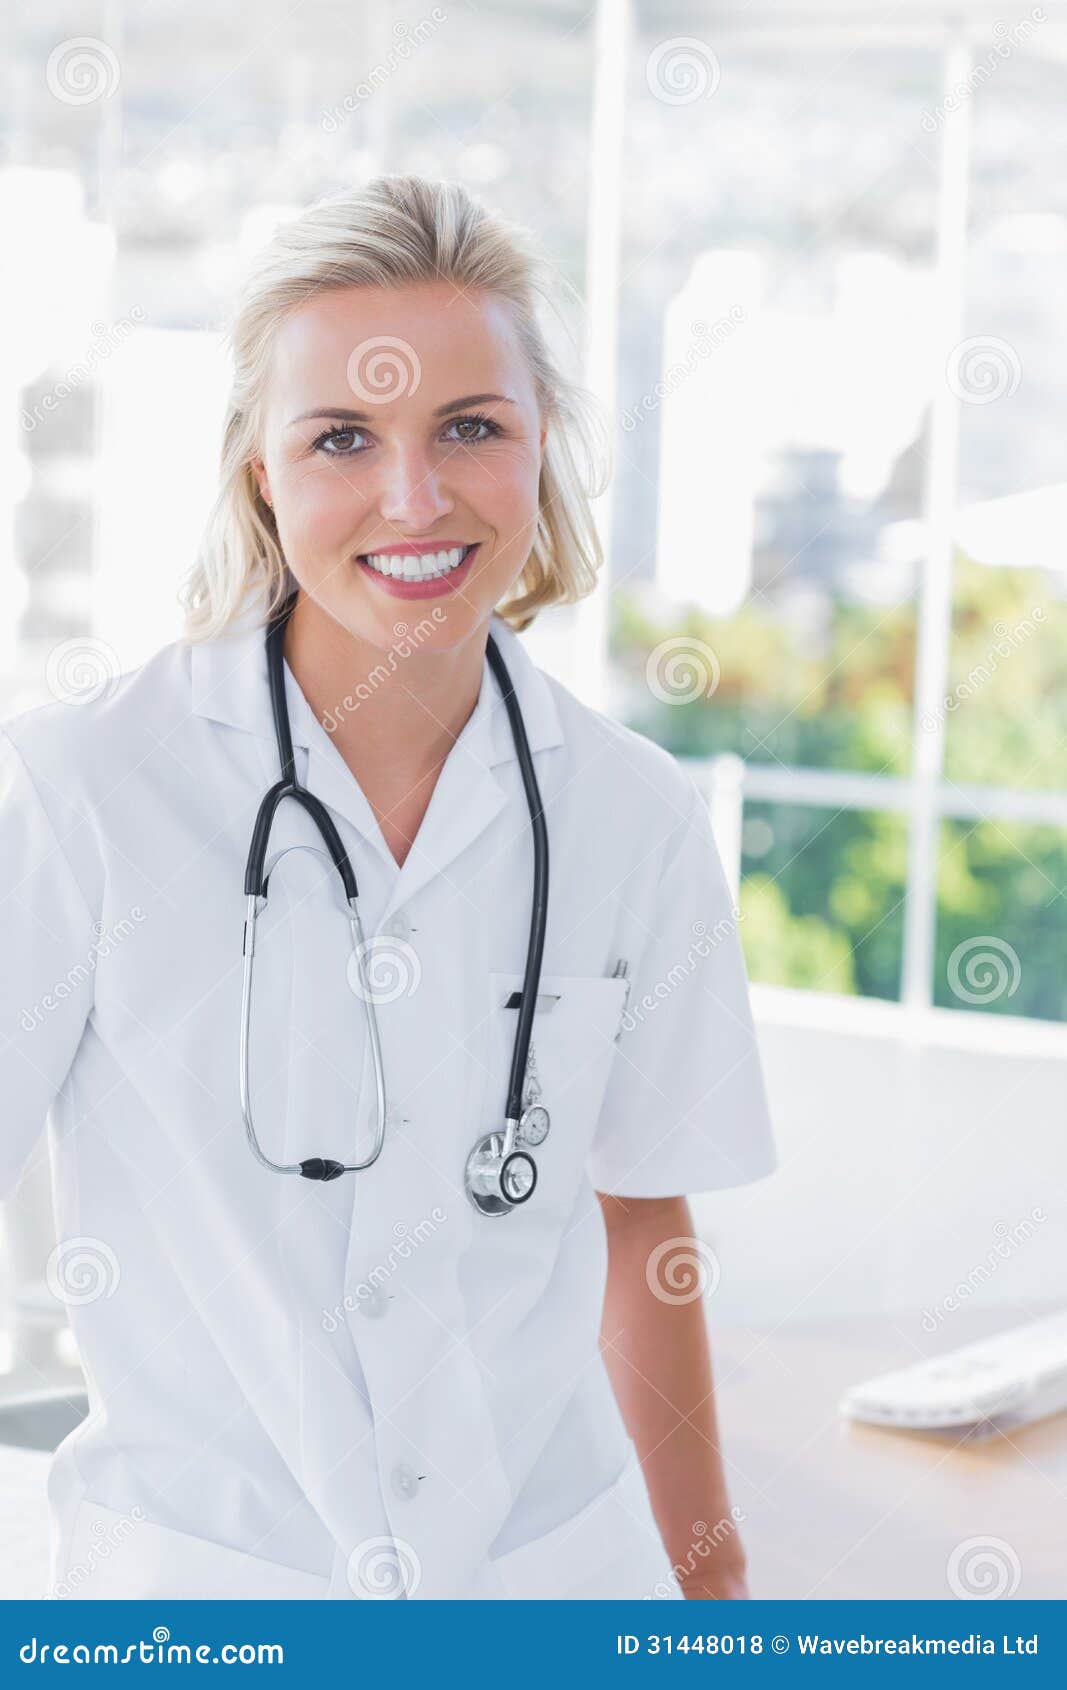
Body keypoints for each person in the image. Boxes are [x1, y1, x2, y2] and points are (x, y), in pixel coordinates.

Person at [0, 174, 776, 1601]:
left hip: (556, 1582)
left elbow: (640, 1227)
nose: (414, 498)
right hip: (209, 1592)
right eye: (343, 437)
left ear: (542, 447)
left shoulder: (635, 814)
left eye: (471, 427)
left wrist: (713, 1602)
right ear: (261, 472)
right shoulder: (80, 788)